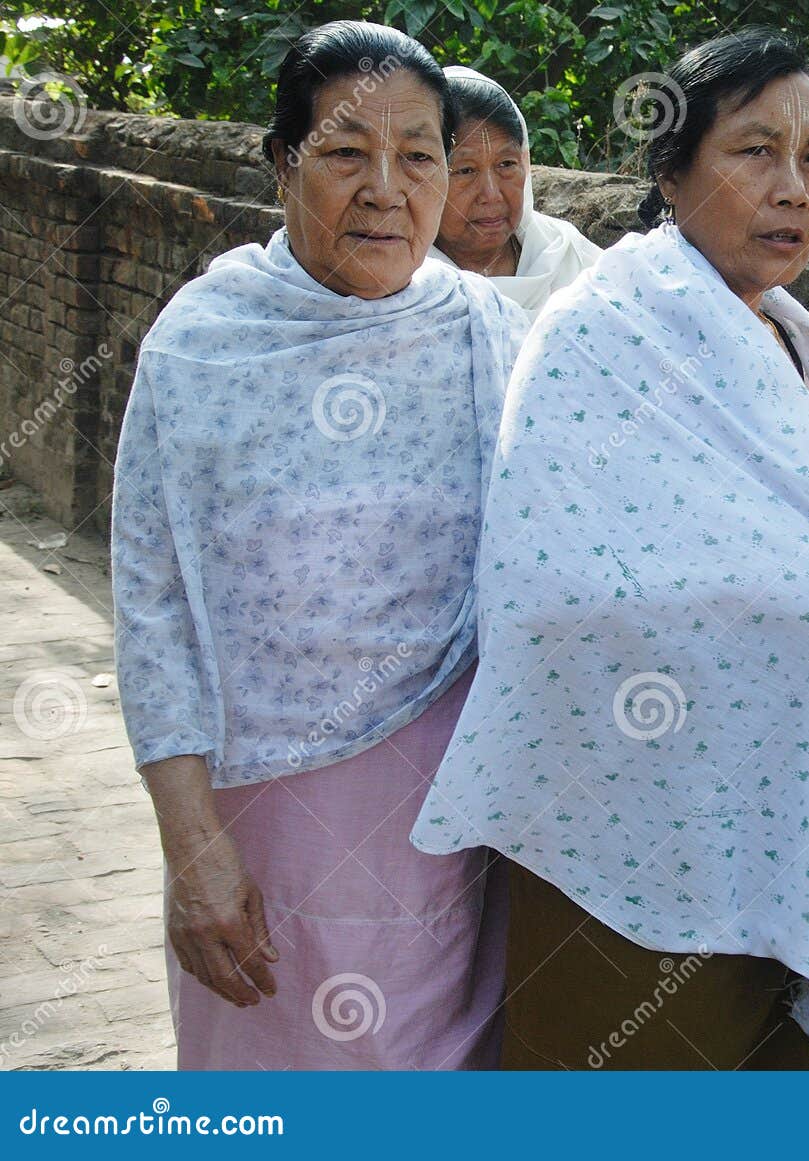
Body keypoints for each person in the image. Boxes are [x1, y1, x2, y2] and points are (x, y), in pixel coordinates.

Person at [411, 28, 809, 1071]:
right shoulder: (600, 330)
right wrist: (787, 621)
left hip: (781, 826)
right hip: (627, 832)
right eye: (755, 151)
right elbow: (551, 597)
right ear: (671, 170)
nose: (793, 187)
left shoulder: (790, 337)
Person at [111, 20, 526, 1069]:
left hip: (452, 829)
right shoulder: (205, 344)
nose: (386, 188)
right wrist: (193, 849)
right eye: (346, 152)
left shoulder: (493, 334)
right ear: (283, 162)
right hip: (264, 825)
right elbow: (152, 603)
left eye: (418, 155)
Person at [430, 65, 600, 315]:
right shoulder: (405, 283)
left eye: (506, 164)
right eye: (465, 170)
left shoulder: (568, 257)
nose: (491, 194)